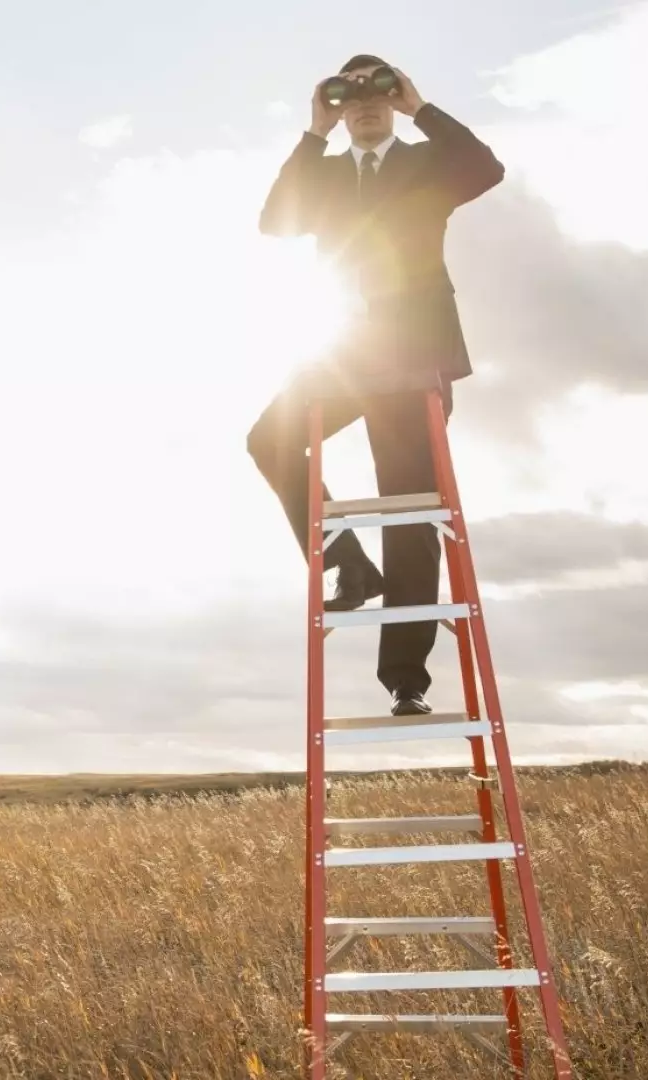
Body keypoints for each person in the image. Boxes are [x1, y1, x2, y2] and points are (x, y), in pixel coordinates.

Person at [246, 55, 504, 716]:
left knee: (410, 509)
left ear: (393, 101)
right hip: (342, 351)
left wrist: (421, 108)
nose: (362, 102)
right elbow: (275, 220)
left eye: (377, 91)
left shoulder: (425, 165)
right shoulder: (326, 175)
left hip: (415, 352)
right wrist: (313, 132)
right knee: (269, 440)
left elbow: (485, 169)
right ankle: (347, 563)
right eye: (348, 93)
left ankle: (406, 676)